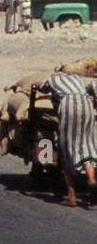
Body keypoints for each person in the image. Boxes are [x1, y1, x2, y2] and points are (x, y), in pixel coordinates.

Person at [39, 70, 97, 207]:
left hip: (69, 106)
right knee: (86, 145)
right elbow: (91, 87)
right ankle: (92, 181)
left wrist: (37, 85)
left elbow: (42, 87)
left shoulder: (52, 79)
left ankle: (71, 196)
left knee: (67, 147)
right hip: (87, 105)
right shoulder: (77, 78)